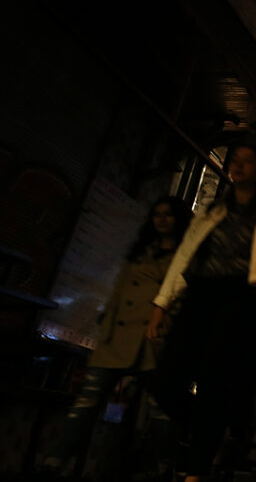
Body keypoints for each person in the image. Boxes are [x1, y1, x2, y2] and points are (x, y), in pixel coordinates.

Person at [148, 143, 256, 481]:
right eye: (235, 161)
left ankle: (197, 469)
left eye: (249, 161)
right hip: (202, 296)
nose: (239, 167)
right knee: (167, 381)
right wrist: (162, 302)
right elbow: (185, 255)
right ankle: (207, 426)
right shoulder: (213, 210)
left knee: (215, 384)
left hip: (244, 302)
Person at [43, 197, 192, 476]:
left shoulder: (184, 257)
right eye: (157, 214)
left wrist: (166, 326)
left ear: (179, 219)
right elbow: (119, 292)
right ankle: (53, 462)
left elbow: (181, 297)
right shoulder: (140, 252)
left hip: (152, 337)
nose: (161, 219)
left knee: (158, 409)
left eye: (168, 215)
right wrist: (107, 327)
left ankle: (162, 468)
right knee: (87, 403)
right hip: (117, 337)